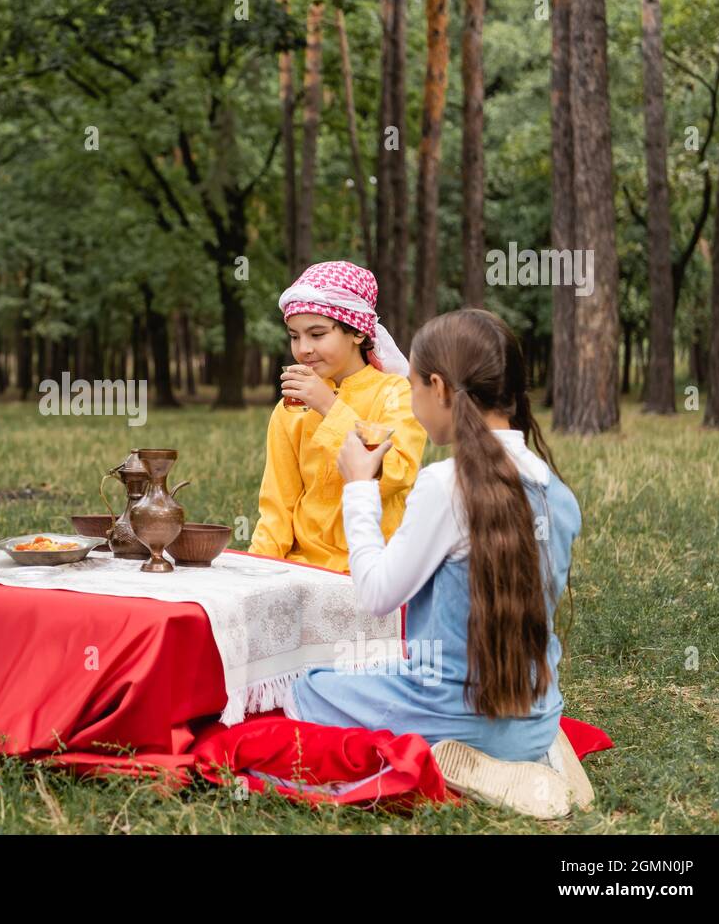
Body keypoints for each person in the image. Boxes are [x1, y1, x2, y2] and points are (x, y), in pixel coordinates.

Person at [285, 308, 590, 816]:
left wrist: (360, 488)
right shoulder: (558, 493)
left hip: (450, 713)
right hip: (539, 710)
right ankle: (533, 748)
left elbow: (378, 594)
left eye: (411, 387)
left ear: (438, 387)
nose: (410, 401)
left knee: (307, 690)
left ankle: (447, 756)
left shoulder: (444, 484)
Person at [248, 261, 426, 572]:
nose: (303, 349)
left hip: (376, 568)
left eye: (317, 334)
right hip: (301, 569)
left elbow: (395, 477)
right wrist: (257, 570)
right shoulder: (290, 409)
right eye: (294, 335)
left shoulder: (395, 392)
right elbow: (278, 506)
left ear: (357, 331)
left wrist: (330, 407)